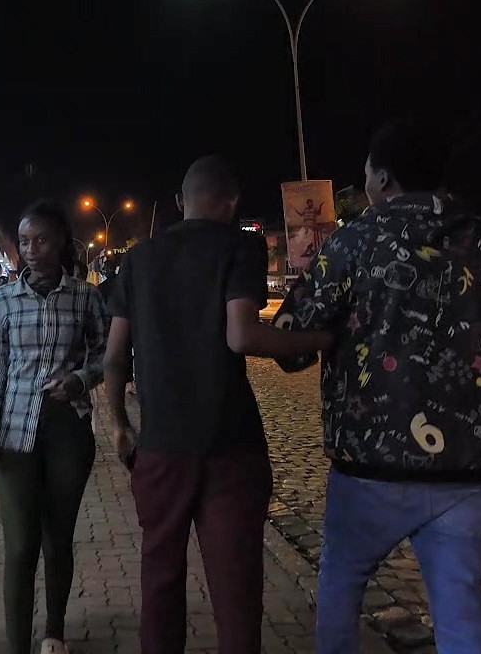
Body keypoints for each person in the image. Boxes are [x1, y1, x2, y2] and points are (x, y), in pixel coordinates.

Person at [278, 118, 481, 652]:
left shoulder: (355, 241)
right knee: (461, 609)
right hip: (465, 466)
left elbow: (291, 338)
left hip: (371, 463)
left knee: (341, 585)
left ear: (382, 177)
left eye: (366, 169)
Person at [104, 158, 332, 654]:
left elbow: (114, 357)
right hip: (231, 447)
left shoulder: (138, 260)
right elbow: (243, 334)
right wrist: (324, 338)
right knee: (236, 590)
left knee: (160, 581)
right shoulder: (239, 246)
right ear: (230, 204)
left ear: (182, 203)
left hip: (161, 446)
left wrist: (120, 425)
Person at [0, 200, 107, 654]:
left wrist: (80, 379)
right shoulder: (3, 301)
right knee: (19, 546)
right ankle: (18, 645)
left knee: (58, 538)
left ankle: (54, 631)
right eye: (25, 240)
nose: (31, 249)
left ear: (61, 242)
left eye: (42, 239)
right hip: (14, 434)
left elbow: (104, 355)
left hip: (68, 430)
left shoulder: (87, 297)